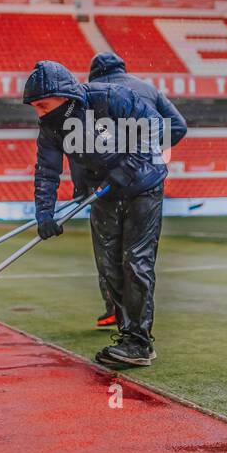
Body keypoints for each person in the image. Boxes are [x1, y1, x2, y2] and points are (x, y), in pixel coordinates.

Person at [23, 60, 175, 369]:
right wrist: (44, 214)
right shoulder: (51, 127)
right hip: (104, 191)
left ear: (63, 95)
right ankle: (128, 337)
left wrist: (128, 168)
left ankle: (139, 342)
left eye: (43, 105)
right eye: (35, 107)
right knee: (108, 267)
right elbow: (47, 172)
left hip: (144, 185)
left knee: (135, 261)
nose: (40, 112)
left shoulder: (109, 98)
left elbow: (156, 126)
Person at [85, 53, 187, 329]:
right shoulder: (147, 88)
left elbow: (82, 140)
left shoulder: (90, 93)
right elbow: (178, 127)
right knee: (138, 258)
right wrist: (147, 152)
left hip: (107, 183)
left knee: (108, 256)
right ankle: (137, 332)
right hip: (147, 181)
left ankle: (119, 317)